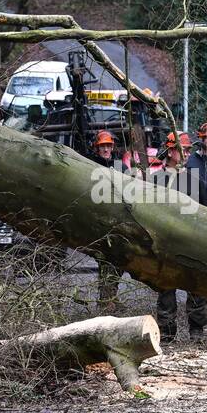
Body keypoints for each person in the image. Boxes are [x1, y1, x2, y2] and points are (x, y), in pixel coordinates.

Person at [151, 130, 205, 343]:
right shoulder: (157, 179)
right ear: (172, 151)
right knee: (165, 286)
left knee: (195, 284)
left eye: (189, 150)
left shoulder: (192, 179)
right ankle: (166, 331)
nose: (187, 154)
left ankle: (197, 330)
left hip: (190, 240)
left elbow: (203, 210)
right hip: (165, 240)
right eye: (184, 150)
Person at [89, 130, 124, 312]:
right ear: (97, 147)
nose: (106, 149)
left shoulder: (120, 167)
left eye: (108, 145)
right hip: (100, 221)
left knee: (119, 262)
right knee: (105, 261)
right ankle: (105, 299)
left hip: (118, 220)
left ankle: (112, 294)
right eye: (103, 146)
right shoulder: (90, 165)